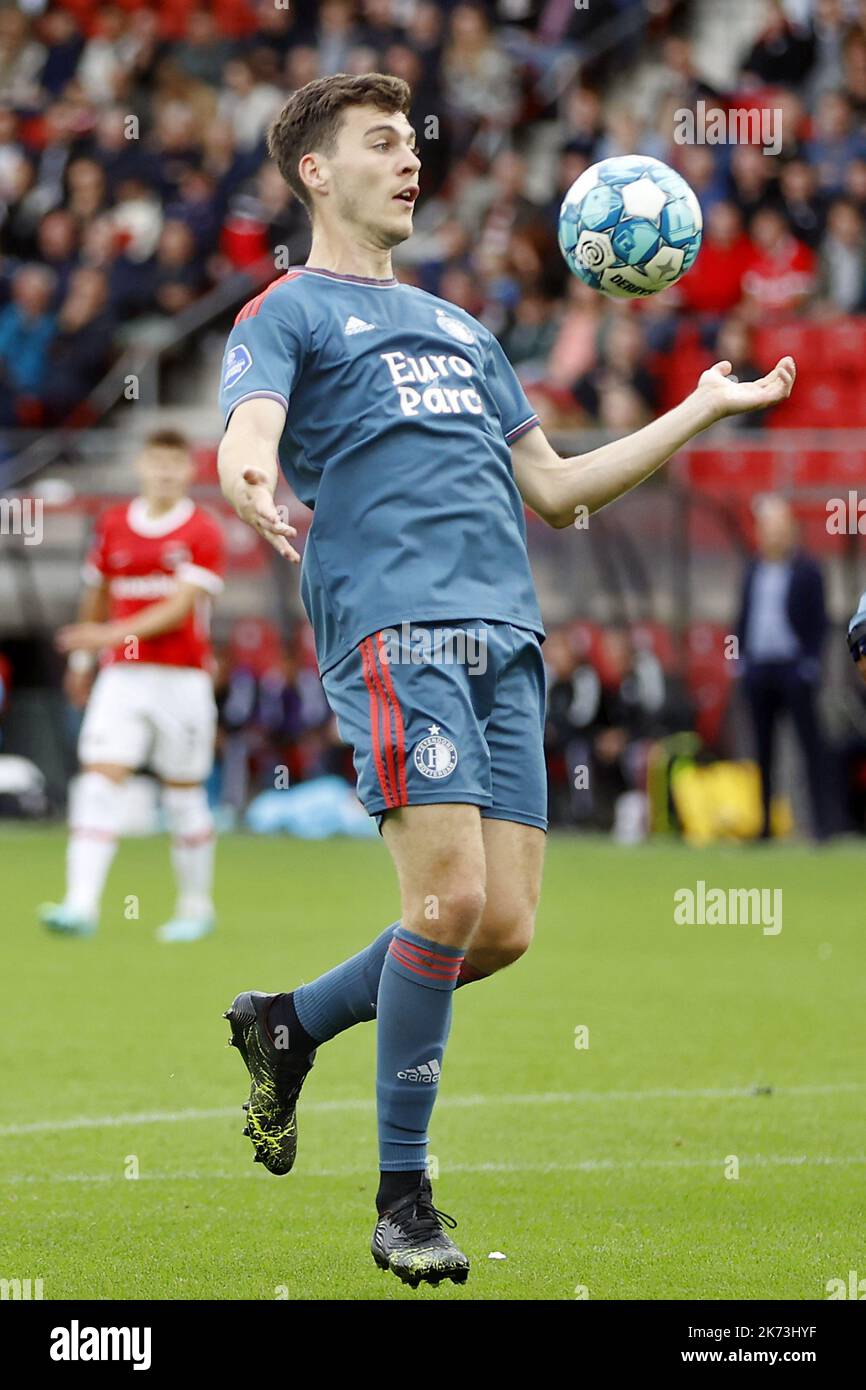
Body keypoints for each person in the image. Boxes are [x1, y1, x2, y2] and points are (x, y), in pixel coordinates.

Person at [216, 72, 796, 1290]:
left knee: (502, 928)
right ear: (315, 172)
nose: (407, 159)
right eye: (378, 144)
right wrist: (250, 477)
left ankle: (289, 1023)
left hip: (507, 640)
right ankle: (401, 1198)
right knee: (443, 904)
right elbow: (249, 429)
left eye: (409, 142)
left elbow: (562, 491)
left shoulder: (465, 330)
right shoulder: (288, 312)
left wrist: (696, 408)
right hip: (399, 630)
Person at [39, 429, 225, 942]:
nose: (164, 472)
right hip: (122, 676)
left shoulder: (203, 530)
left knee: (184, 795)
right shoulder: (113, 525)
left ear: (189, 471)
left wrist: (109, 634)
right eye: (156, 463)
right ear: (141, 466)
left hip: (182, 679)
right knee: (99, 780)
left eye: (174, 464)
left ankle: (194, 906)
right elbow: (96, 594)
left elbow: (179, 606)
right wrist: (83, 659)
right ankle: (80, 905)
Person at [737, 495, 828, 841]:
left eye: (778, 528)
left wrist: (810, 663)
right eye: (766, 528)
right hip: (760, 669)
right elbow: (743, 617)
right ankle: (765, 826)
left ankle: (821, 824)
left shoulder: (808, 570)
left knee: (809, 747)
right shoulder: (753, 569)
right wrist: (742, 662)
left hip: (794, 669)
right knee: (762, 751)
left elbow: (819, 622)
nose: (772, 536)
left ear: (790, 531)